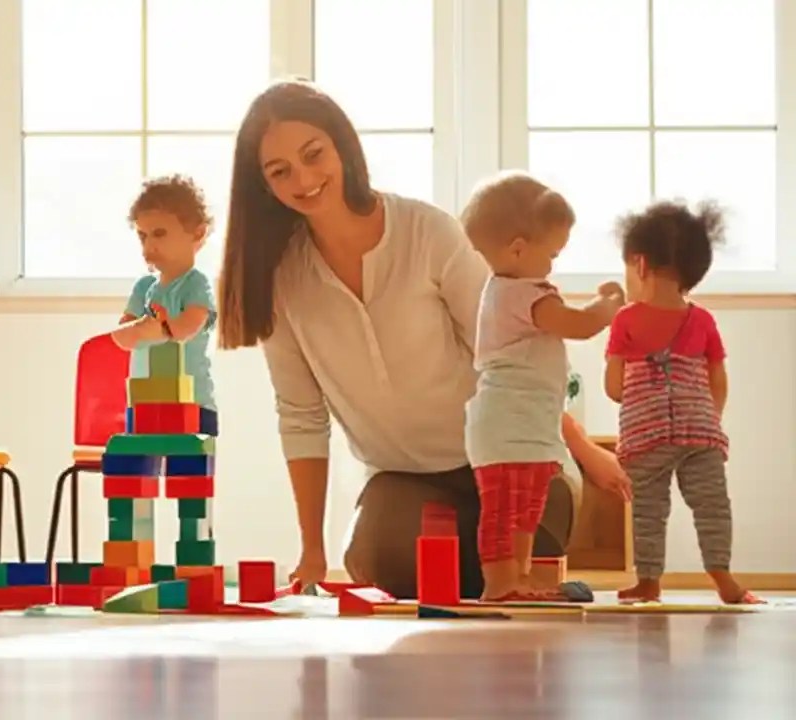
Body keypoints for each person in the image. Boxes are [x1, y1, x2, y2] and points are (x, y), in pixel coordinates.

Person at [216, 79, 631, 599]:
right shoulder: (281, 282)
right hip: (408, 481)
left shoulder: (428, 232)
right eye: (281, 172)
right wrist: (312, 550)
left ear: (341, 145)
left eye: (313, 154)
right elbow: (301, 417)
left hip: (509, 458)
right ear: (265, 187)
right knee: (374, 554)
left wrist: (583, 449)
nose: (303, 178)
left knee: (529, 519)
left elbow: (510, 356)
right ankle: (517, 583)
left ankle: (517, 576)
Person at [460, 171, 625, 601]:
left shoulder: (522, 289)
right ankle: (500, 581)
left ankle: (519, 576)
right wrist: (608, 304)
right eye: (551, 254)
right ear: (518, 248)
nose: (553, 265)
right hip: (505, 425)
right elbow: (580, 324)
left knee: (528, 507)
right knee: (504, 507)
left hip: (531, 425)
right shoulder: (516, 294)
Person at [604, 200, 762, 605]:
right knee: (712, 505)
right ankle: (723, 577)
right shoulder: (703, 320)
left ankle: (649, 581)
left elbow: (614, 388)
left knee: (648, 512)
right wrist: (712, 418)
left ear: (639, 265)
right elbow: (718, 377)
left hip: (645, 437)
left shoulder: (625, 320)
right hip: (700, 434)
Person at [112, 174, 218, 434]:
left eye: (159, 234)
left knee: (187, 470)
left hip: (193, 402)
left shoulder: (196, 284)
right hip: (144, 402)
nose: (149, 245)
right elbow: (123, 335)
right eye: (143, 236)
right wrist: (139, 328)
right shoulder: (143, 287)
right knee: (137, 465)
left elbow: (190, 325)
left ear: (198, 234)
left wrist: (160, 330)